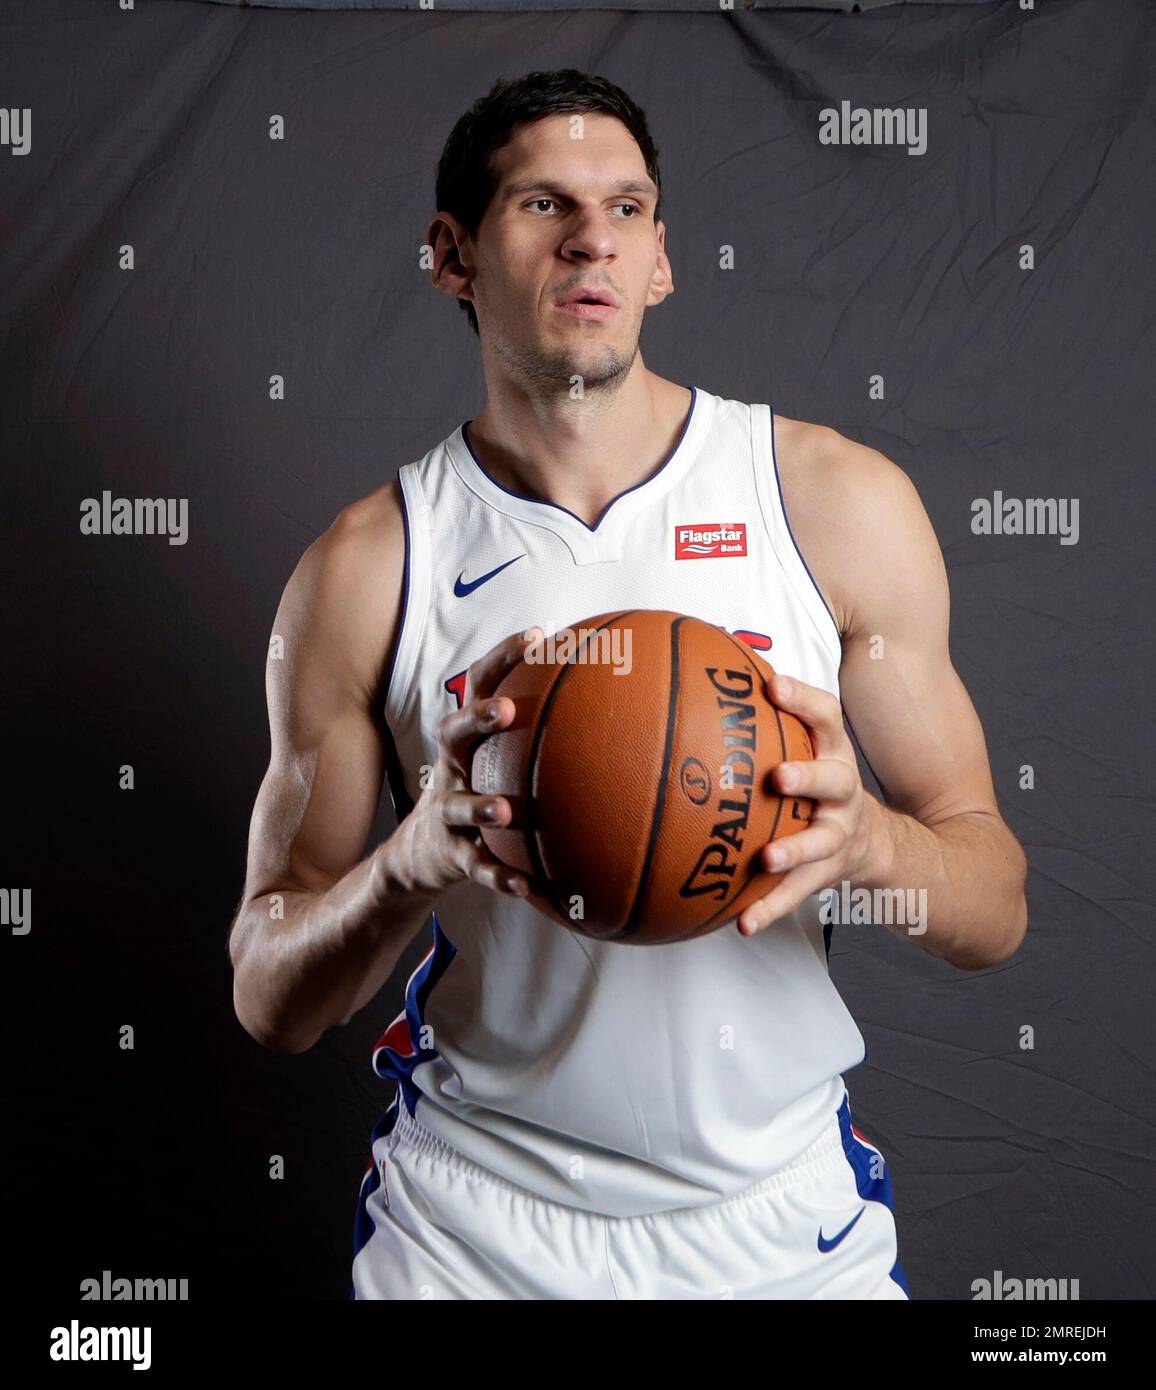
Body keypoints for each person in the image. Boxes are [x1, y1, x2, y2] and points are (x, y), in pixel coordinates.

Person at [228, 69, 1028, 1300]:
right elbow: (270, 996)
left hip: (774, 1218)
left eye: (629, 207)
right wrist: (406, 864)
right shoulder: (368, 567)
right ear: (452, 255)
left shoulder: (828, 501)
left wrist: (868, 843)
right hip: (473, 1223)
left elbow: (995, 904)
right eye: (544, 204)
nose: (593, 236)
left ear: (660, 261)